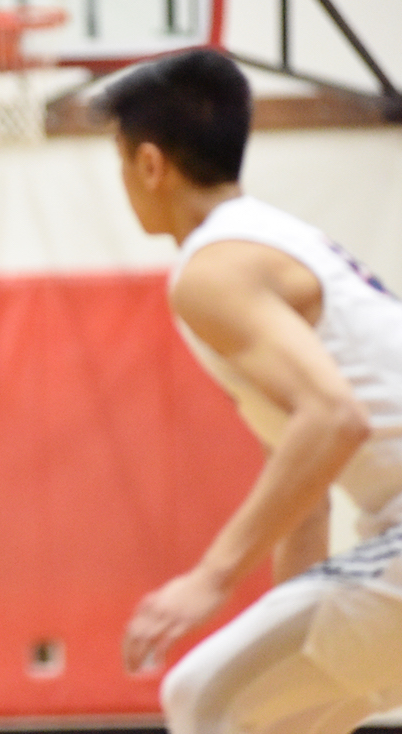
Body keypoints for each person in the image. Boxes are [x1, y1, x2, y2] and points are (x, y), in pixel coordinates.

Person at [96, 47, 402, 734]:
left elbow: (335, 418)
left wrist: (212, 577)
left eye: (120, 163)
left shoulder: (213, 270)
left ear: (149, 164)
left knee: (204, 699)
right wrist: (283, 613)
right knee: (283, 712)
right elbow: (308, 493)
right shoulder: (272, 238)